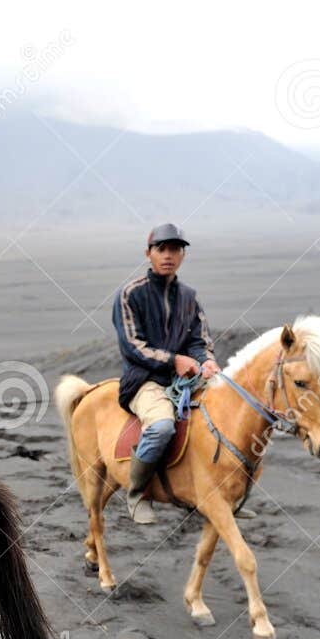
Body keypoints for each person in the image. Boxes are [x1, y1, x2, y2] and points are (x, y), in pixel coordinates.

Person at [111, 222, 218, 524]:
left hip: (184, 380)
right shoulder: (130, 294)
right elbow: (133, 346)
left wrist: (207, 360)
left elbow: (199, 340)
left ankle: (213, 492)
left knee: (222, 416)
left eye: (175, 249)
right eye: (162, 248)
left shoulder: (189, 297)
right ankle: (137, 493)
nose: (168, 254)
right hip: (144, 381)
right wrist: (174, 361)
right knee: (161, 428)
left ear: (183, 255)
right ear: (149, 253)